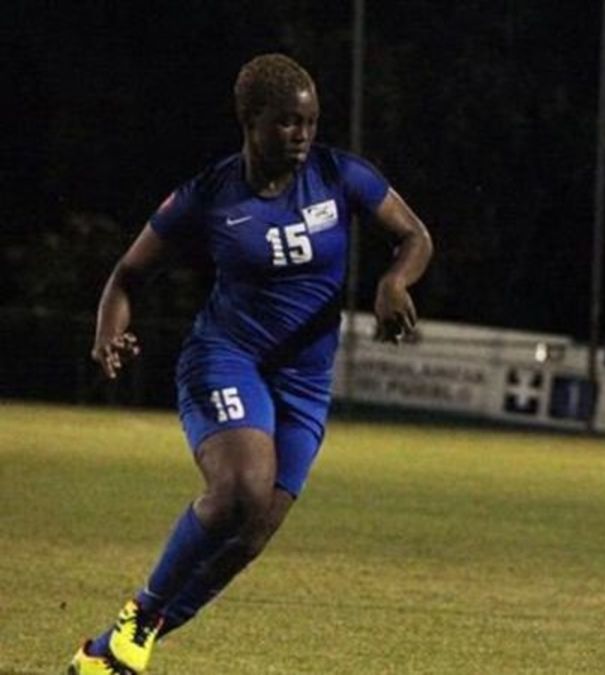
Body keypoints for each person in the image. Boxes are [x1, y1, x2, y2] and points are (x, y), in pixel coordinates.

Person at [68, 53, 433, 675]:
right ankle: (144, 615)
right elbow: (127, 275)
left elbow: (415, 235)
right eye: (287, 123)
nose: (302, 135)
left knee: (251, 534)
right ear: (250, 121)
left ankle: (111, 652)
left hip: (305, 382)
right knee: (241, 487)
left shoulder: (341, 175)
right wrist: (108, 333)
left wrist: (395, 282)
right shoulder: (208, 195)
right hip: (226, 359)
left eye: (311, 121)